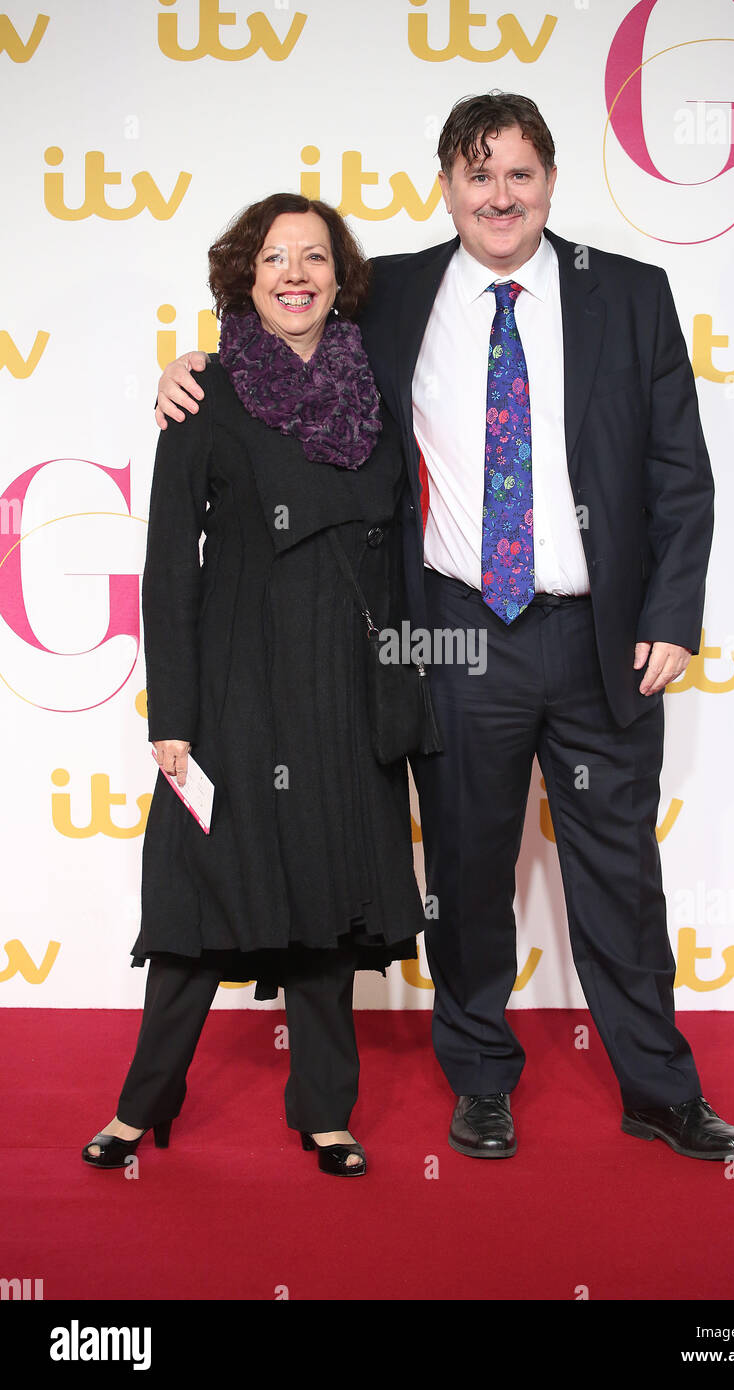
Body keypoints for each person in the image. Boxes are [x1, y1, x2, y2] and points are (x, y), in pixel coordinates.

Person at [156, 94, 734, 1163]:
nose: (498, 196)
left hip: (598, 640)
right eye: (477, 176)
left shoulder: (626, 295)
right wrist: (190, 374)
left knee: (618, 876)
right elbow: (279, 346)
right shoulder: (390, 297)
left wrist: (670, 614)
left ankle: (658, 1089)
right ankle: (480, 1078)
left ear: (550, 182)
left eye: (518, 175)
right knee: (468, 877)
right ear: (446, 184)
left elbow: (679, 472)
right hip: (451, 635)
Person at [83, 192, 425, 1177]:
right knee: (197, 905)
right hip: (235, 692)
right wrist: (173, 715)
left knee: (326, 909)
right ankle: (142, 1102)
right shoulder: (206, 392)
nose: (293, 273)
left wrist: (399, 688)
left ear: (338, 276)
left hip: (344, 690)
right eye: (273, 257)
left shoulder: (377, 388)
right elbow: (165, 566)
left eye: (313, 256)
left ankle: (325, 1111)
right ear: (244, 275)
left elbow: (393, 555)